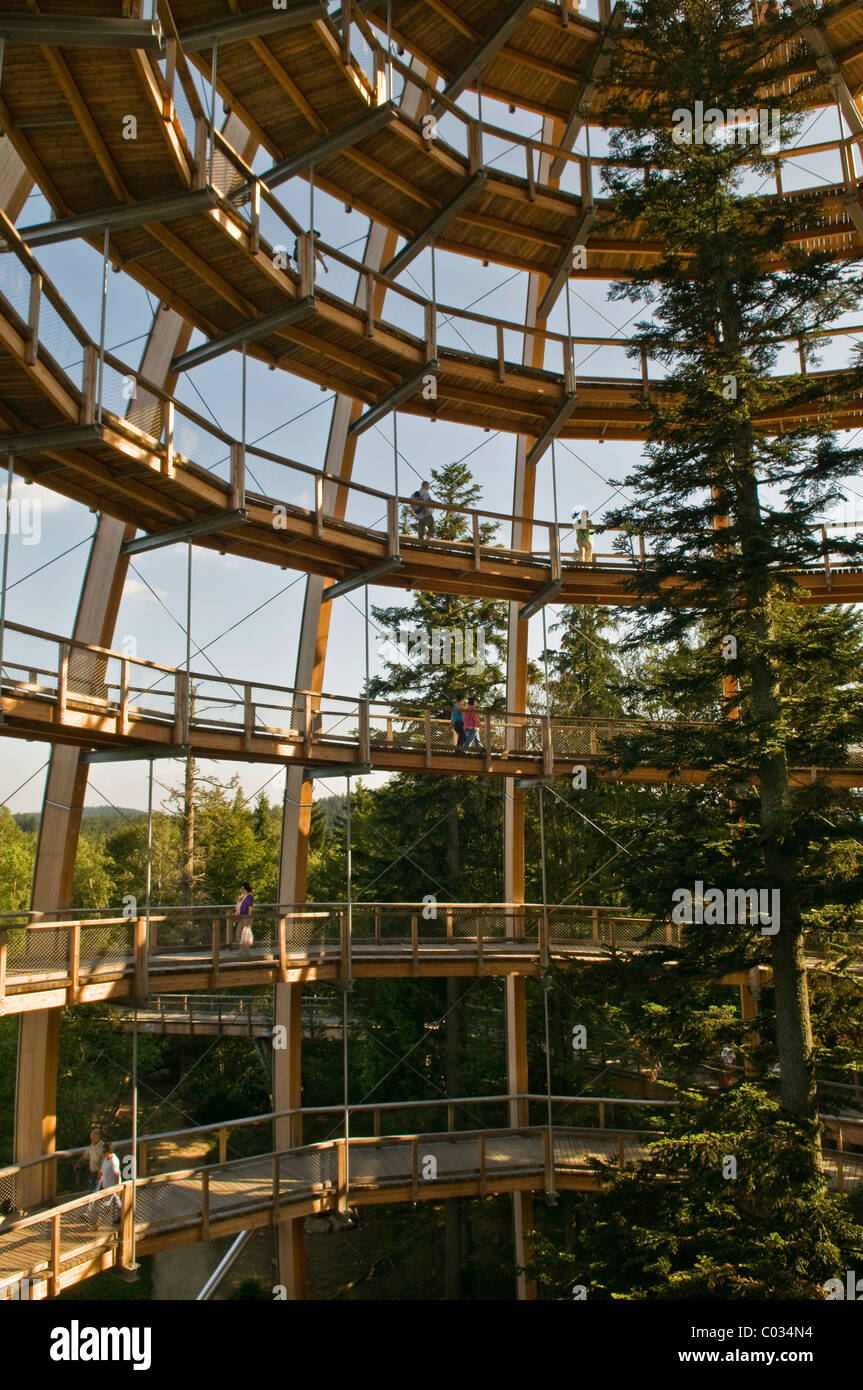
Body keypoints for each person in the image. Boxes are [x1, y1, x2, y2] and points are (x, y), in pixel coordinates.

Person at [97, 1140, 122, 1226]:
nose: (103, 1153)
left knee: (107, 1203)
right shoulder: (106, 1159)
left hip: (112, 1186)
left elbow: (117, 1174)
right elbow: (103, 1168)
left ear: (109, 1151)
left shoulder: (113, 1161)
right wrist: (100, 1174)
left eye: (105, 1151)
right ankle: (119, 1215)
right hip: (106, 1184)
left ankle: (99, 1222)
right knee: (116, 1202)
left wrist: (118, 1187)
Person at [75, 1126, 104, 1193]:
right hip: (92, 1171)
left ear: (98, 1136)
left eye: (93, 1136)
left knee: (99, 1189)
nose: (92, 1138)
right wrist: (78, 1163)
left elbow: (103, 1160)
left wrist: (100, 1172)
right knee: (92, 1189)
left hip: (99, 1172)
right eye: (91, 1137)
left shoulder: (102, 1146)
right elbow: (85, 1155)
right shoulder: (91, 1145)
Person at [235, 881, 254, 955]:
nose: (241, 890)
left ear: (246, 889)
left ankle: (246, 949)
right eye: (241, 888)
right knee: (238, 933)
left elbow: (250, 907)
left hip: (247, 917)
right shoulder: (241, 896)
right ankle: (244, 949)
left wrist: (249, 917)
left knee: (246, 933)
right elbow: (238, 906)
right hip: (241, 916)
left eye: (243, 888)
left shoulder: (250, 897)